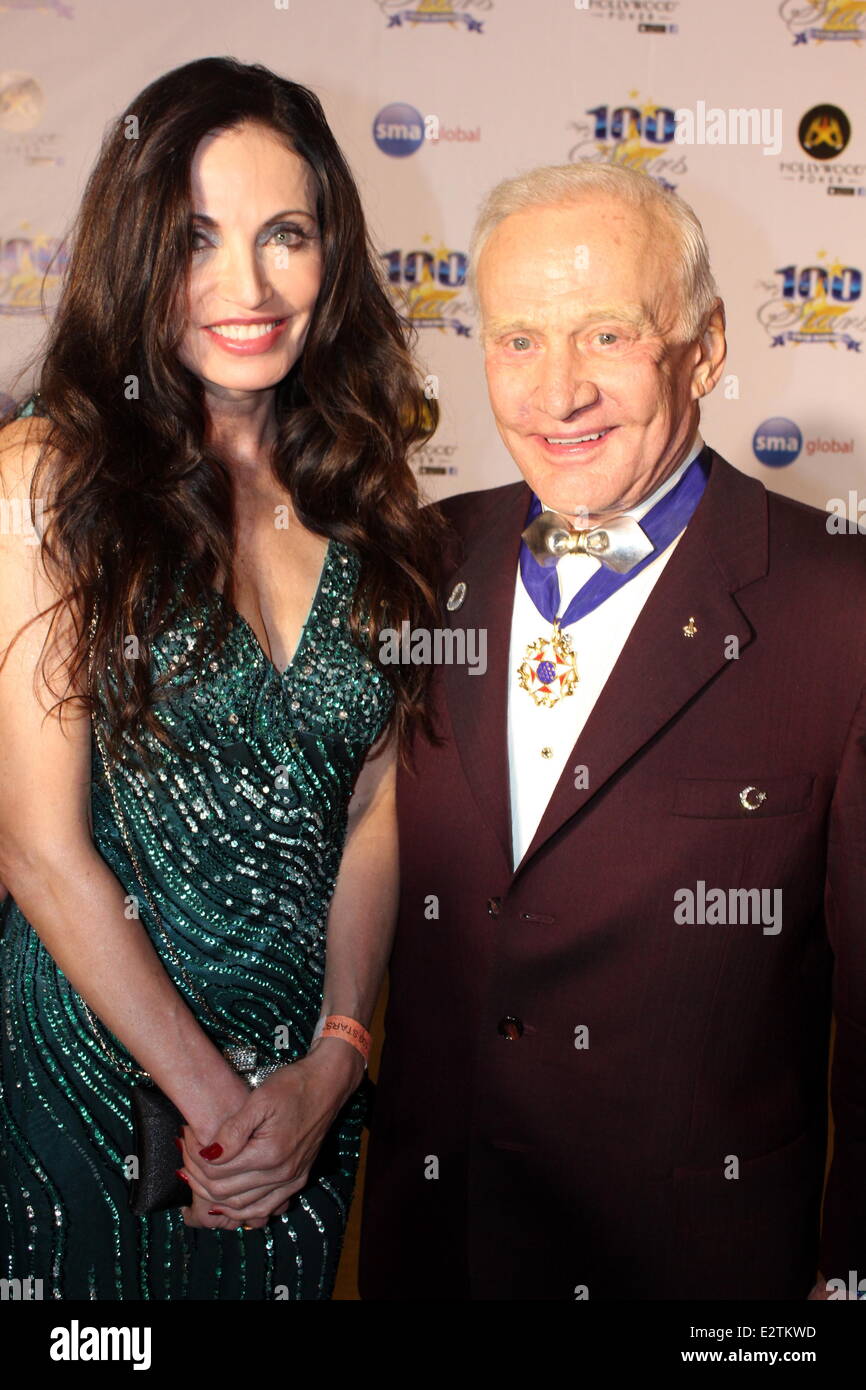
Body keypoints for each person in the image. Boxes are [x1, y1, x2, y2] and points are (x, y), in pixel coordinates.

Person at [358, 161, 866, 1301]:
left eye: (605, 336)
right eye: (518, 340)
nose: (557, 392)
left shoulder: (839, 609)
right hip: (433, 1255)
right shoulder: (418, 565)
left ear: (704, 348)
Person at [0, 56, 442, 1300]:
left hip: (298, 1104)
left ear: (331, 254)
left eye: (283, 235)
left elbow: (372, 813)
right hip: (97, 1093)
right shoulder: (47, 477)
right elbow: (35, 847)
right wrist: (220, 1113)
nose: (244, 287)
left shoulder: (367, 503)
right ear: (137, 252)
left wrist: (333, 1064)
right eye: (196, 238)